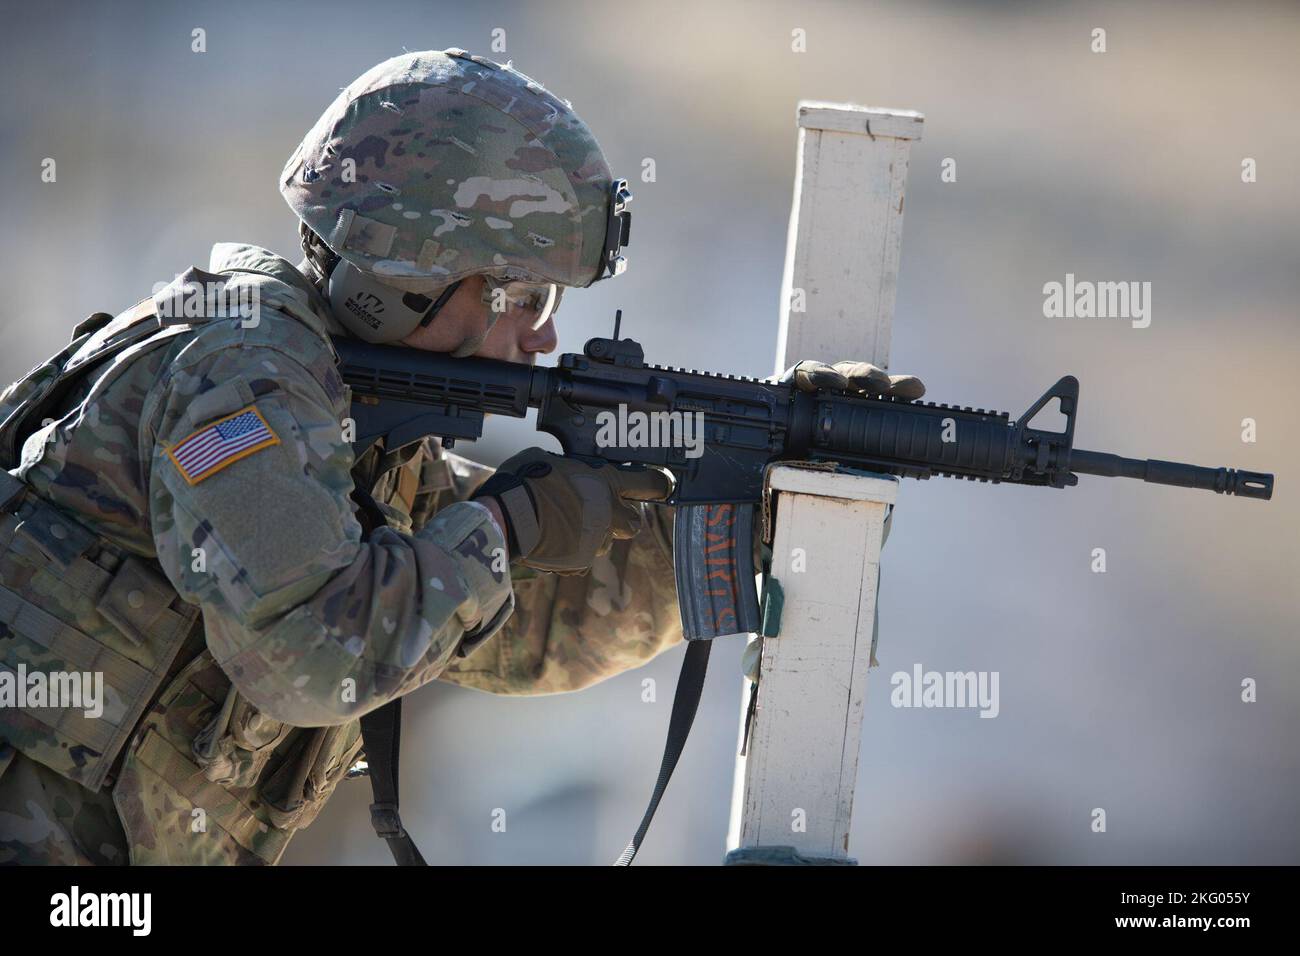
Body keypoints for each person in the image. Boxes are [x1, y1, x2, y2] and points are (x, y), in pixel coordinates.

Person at [0, 49, 922, 865]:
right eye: (523, 294)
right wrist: (510, 526)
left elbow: (514, 629)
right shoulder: (242, 376)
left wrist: (756, 515)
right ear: (404, 280)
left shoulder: (353, 428)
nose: (544, 335)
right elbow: (310, 650)